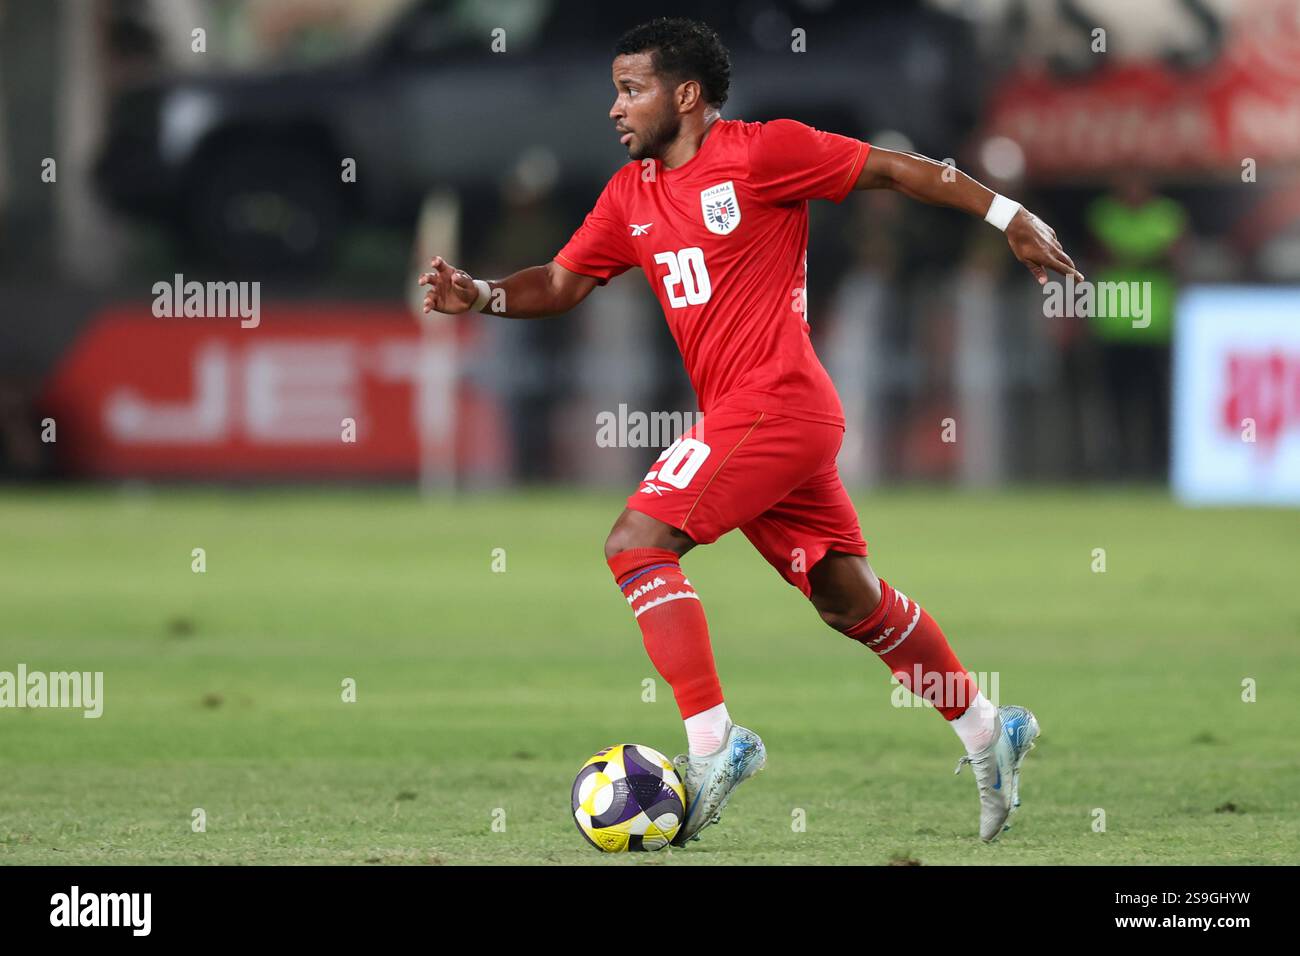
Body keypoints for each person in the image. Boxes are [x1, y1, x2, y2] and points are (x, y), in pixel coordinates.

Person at [419, 17, 1082, 845]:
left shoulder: (765, 152)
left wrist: (1008, 214)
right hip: (751, 418)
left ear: (687, 95)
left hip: (778, 401)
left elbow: (898, 171)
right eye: (615, 91)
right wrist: (480, 293)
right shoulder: (630, 195)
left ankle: (713, 741)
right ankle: (990, 729)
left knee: (635, 542)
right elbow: (559, 280)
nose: (616, 109)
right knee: (849, 600)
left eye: (633, 90)